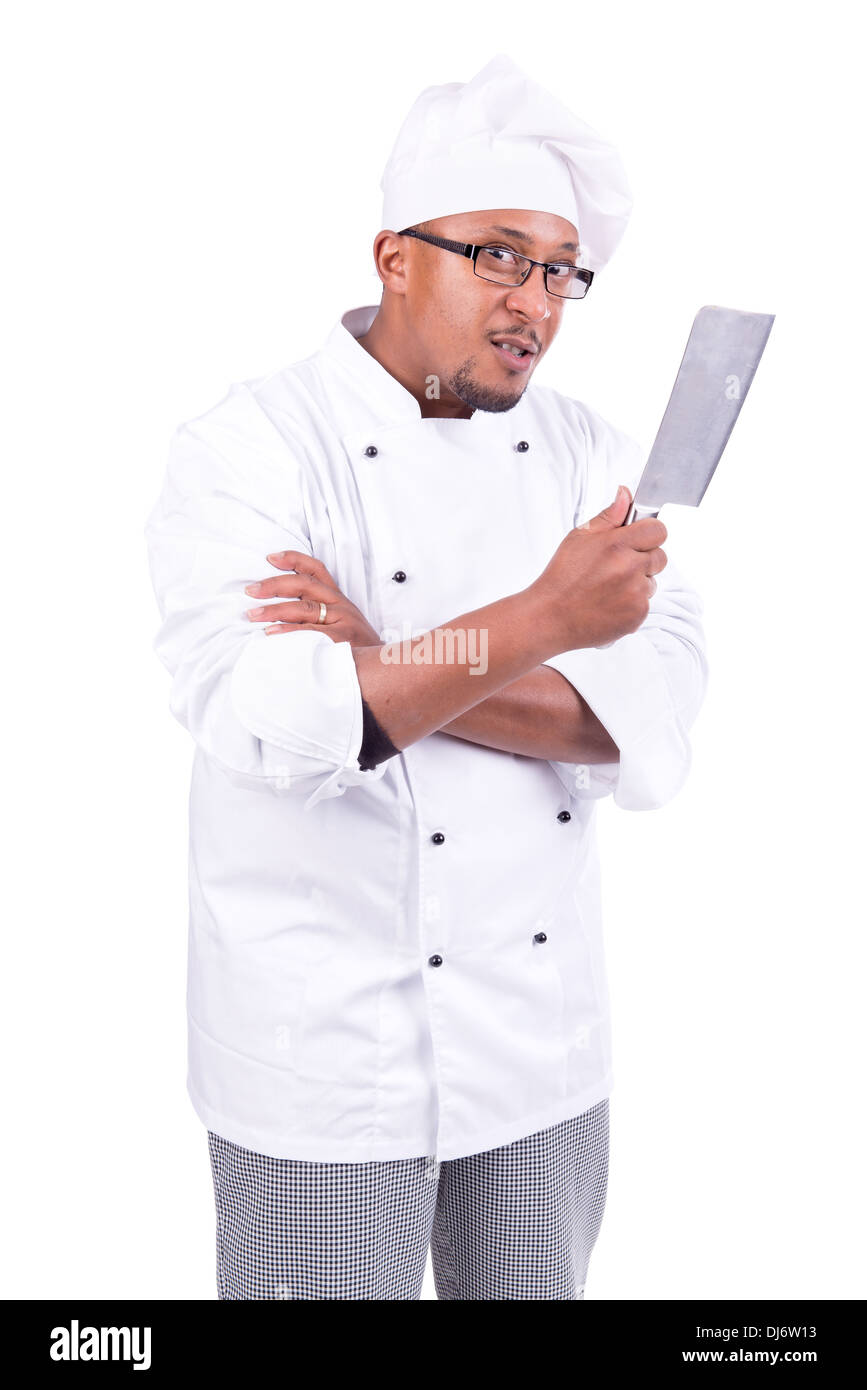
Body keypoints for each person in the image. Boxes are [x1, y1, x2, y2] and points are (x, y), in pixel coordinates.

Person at [144, 53, 708, 1301]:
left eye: (560, 270)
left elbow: (647, 725)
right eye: (497, 254)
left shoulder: (593, 459)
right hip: (322, 1060)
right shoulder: (250, 449)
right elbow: (279, 727)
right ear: (394, 255)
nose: (536, 302)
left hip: (540, 1047)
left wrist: (389, 666)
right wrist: (541, 620)